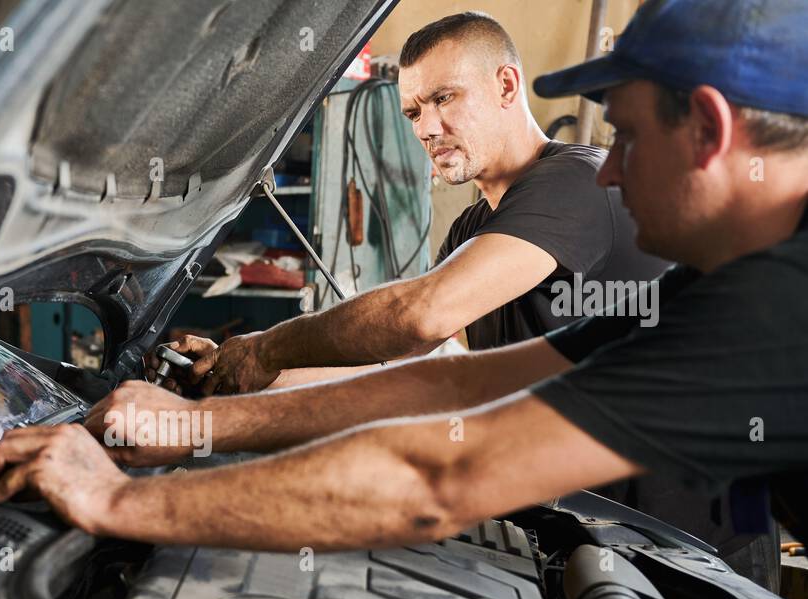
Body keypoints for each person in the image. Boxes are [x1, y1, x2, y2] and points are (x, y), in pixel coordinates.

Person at [0, 0, 808, 566]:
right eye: (413, 111)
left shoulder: (769, 300)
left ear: (707, 127)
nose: (613, 171)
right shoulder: (709, 289)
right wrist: (201, 421)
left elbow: (439, 461)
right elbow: (453, 381)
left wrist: (116, 502)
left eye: (624, 137)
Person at [161, 11, 665, 397]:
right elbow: (413, 355)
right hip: (573, 503)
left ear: (506, 85)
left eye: (444, 98)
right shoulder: (474, 227)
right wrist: (241, 370)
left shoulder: (581, 178)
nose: (425, 129)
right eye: (413, 112)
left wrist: (265, 349)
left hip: (674, 523)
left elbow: (421, 315)